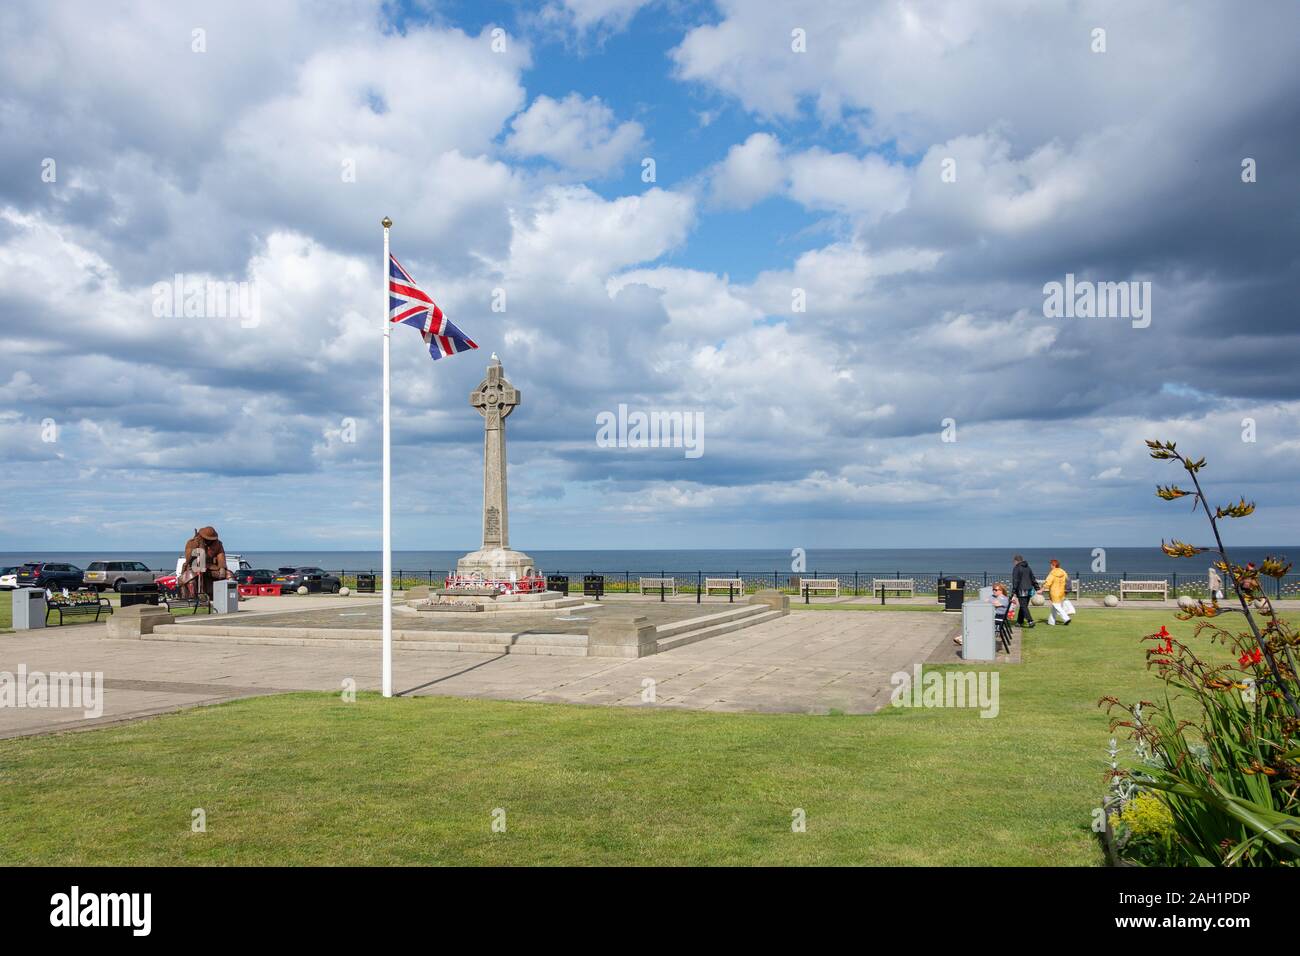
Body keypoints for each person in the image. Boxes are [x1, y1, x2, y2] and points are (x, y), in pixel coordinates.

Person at [1041, 558, 1073, 626]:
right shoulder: (1063, 571)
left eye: (1051, 565)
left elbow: (1048, 582)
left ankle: (1066, 618)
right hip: (1061, 592)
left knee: (1057, 606)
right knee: (1054, 608)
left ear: (1053, 565)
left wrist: (1041, 589)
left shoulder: (1052, 573)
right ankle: (1051, 622)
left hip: (1054, 592)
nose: (1050, 566)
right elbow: (1067, 580)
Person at [1011, 554, 1038, 627]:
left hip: (1021, 590)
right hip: (1029, 589)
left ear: (1016, 561)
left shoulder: (1017, 568)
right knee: (1023, 606)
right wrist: (1037, 588)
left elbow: (1015, 580)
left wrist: (1013, 591)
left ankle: (1030, 621)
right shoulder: (1028, 567)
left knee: (1023, 606)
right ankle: (1019, 622)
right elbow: (1033, 578)